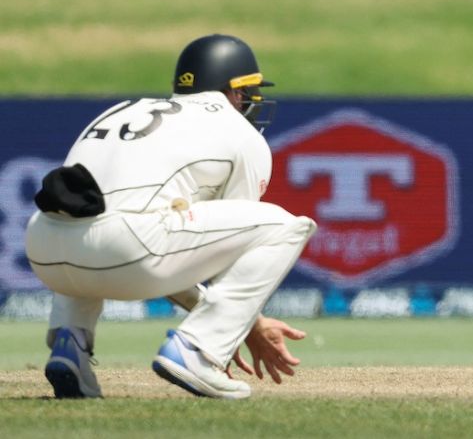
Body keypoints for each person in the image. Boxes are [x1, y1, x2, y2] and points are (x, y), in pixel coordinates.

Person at [25, 34, 317, 399]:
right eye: (248, 92)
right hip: (128, 249)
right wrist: (244, 325)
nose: (250, 101)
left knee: (94, 217)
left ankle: (71, 345)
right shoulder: (240, 132)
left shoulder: (123, 110)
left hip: (43, 247)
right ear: (234, 91)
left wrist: (247, 323)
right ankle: (198, 351)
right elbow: (220, 262)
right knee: (285, 226)